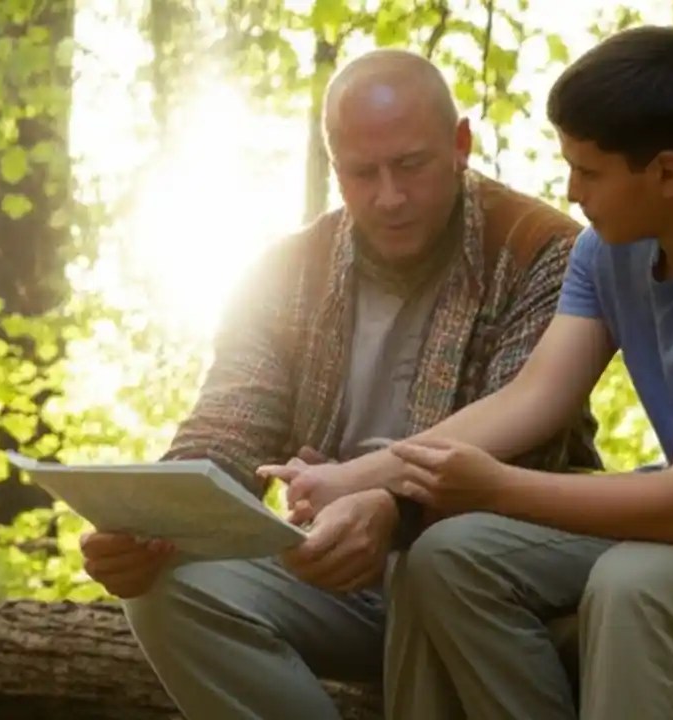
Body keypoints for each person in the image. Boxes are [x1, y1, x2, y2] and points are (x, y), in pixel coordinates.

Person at [269, 26, 673, 719]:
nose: (570, 192)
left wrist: (500, 488)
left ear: (665, 173)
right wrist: (355, 477)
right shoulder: (610, 251)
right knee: (444, 556)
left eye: (589, 172)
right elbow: (533, 399)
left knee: (632, 589)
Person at [77, 48, 602, 718]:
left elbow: (526, 441)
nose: (390, 196)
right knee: (167, 586)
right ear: (336, 170)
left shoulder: (544, 251)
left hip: (485, 568)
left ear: (460, 144)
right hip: (329, 571)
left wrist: (392, 509)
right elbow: (230, 426)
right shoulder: (283, 271)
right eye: (362, 173)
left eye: (410, 164)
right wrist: (152, 524)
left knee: (439, 556)